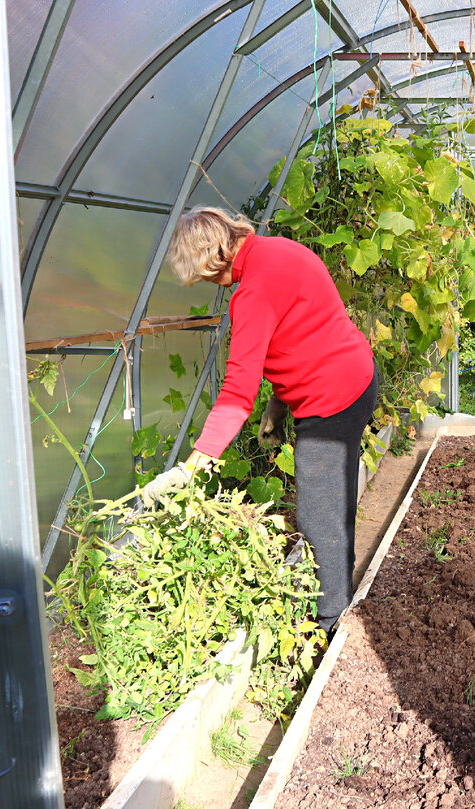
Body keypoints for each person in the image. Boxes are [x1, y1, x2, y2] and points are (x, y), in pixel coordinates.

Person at [142, 207, 379, 632]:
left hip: (330, 402)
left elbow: (237, 391)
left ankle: (331, 624)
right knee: (333, 502)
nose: (210, 283)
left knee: (318, 517)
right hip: (359, 377)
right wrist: (280, 401)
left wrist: (194, 464)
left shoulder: (251, 293)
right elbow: (303, 331)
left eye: (203, 274)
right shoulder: (282, 250)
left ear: (213, 256)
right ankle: (338, 598)